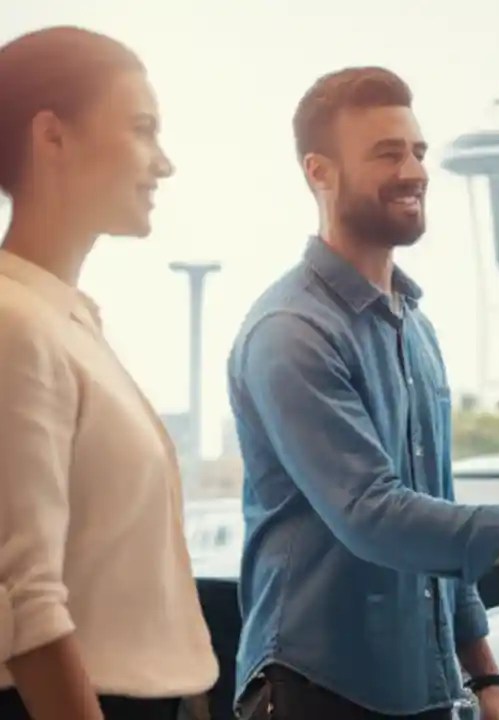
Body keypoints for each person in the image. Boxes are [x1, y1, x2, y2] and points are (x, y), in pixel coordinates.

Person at [227, 66, 499, 720]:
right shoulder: (290, 332)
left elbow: (437, 513)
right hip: (316, 691)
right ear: (319, 173)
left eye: (417, 151)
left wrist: (485, 679)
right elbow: (375, 517)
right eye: (387, 153)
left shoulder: (414, 326)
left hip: (432, 696)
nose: (413, 170)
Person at [0, 26, 218, 720]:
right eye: (144, 129)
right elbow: (24, 603)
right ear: (53, 137)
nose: (165, 164)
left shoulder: (66, 321)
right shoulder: (16, 323)